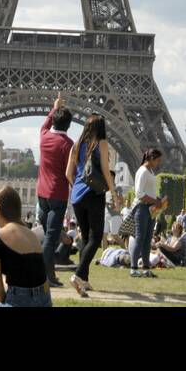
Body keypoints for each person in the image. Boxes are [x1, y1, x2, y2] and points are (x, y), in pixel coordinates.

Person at [66, 115, 119, 297]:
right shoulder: (101, 143)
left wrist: (77, 189)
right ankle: (79, 275)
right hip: (94, 194)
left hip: (77, 196)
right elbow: (105, 170)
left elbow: (68, 174)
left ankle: (84, 281)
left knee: (86, 238)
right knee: (96, 238)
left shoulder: (76, 145)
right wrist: (113, 193)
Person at [36, 93, 73, 288]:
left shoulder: (44, 137)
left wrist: (54, 107)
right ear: (69, 125)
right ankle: (42, 277)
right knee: (50, 238)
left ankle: (50, 276)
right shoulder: (68, 145)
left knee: (50, 236)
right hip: (58, 195)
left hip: (41, 195)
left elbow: (44, 125)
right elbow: (71, 173)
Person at [128, 147, 167, 280]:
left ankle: (146, 268)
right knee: (140, 238)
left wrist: (157, 200)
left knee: (146, 239)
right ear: (151, 158)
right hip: (142, 207)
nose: (159, 163)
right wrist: (155, 202)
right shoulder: (143, 171)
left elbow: (148, 191)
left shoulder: (149, 171)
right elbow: (139, 193)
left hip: (149, 208)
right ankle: (133, 268)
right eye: (158, 160)